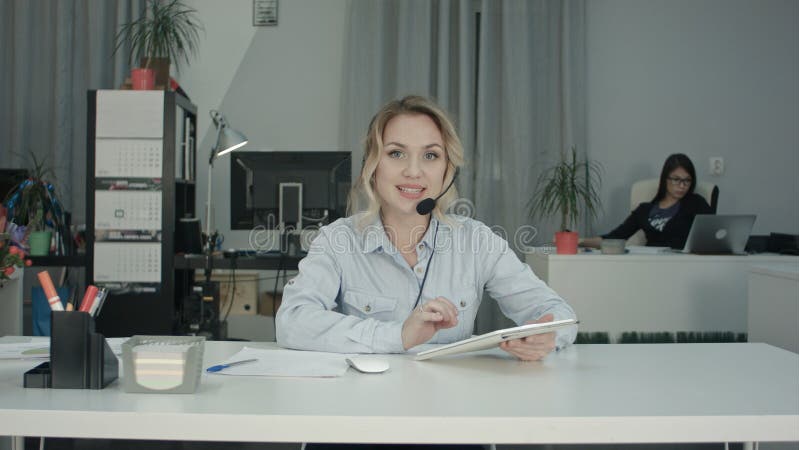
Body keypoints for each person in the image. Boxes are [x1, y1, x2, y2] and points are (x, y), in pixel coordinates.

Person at [276, 95, 577, 361]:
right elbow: (292, 322)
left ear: (448, 169)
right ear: (372, 164)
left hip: (451, 412)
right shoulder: (337, 240)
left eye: (430, 155)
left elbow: (558, 313)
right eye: (396, 153)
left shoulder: (476, 241)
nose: (413, 171)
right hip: (366, 410)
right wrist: (399, 336)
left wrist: (546, 336)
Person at [581, 153, 713, 249]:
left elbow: (714, 234)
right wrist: (579, 241)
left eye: (687, 180)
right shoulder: (645, 210)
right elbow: (615, 237)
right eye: (676, 179)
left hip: (682, 264)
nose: (682, 185)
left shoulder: (696, 203)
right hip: (650, 264)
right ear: (665, 179)